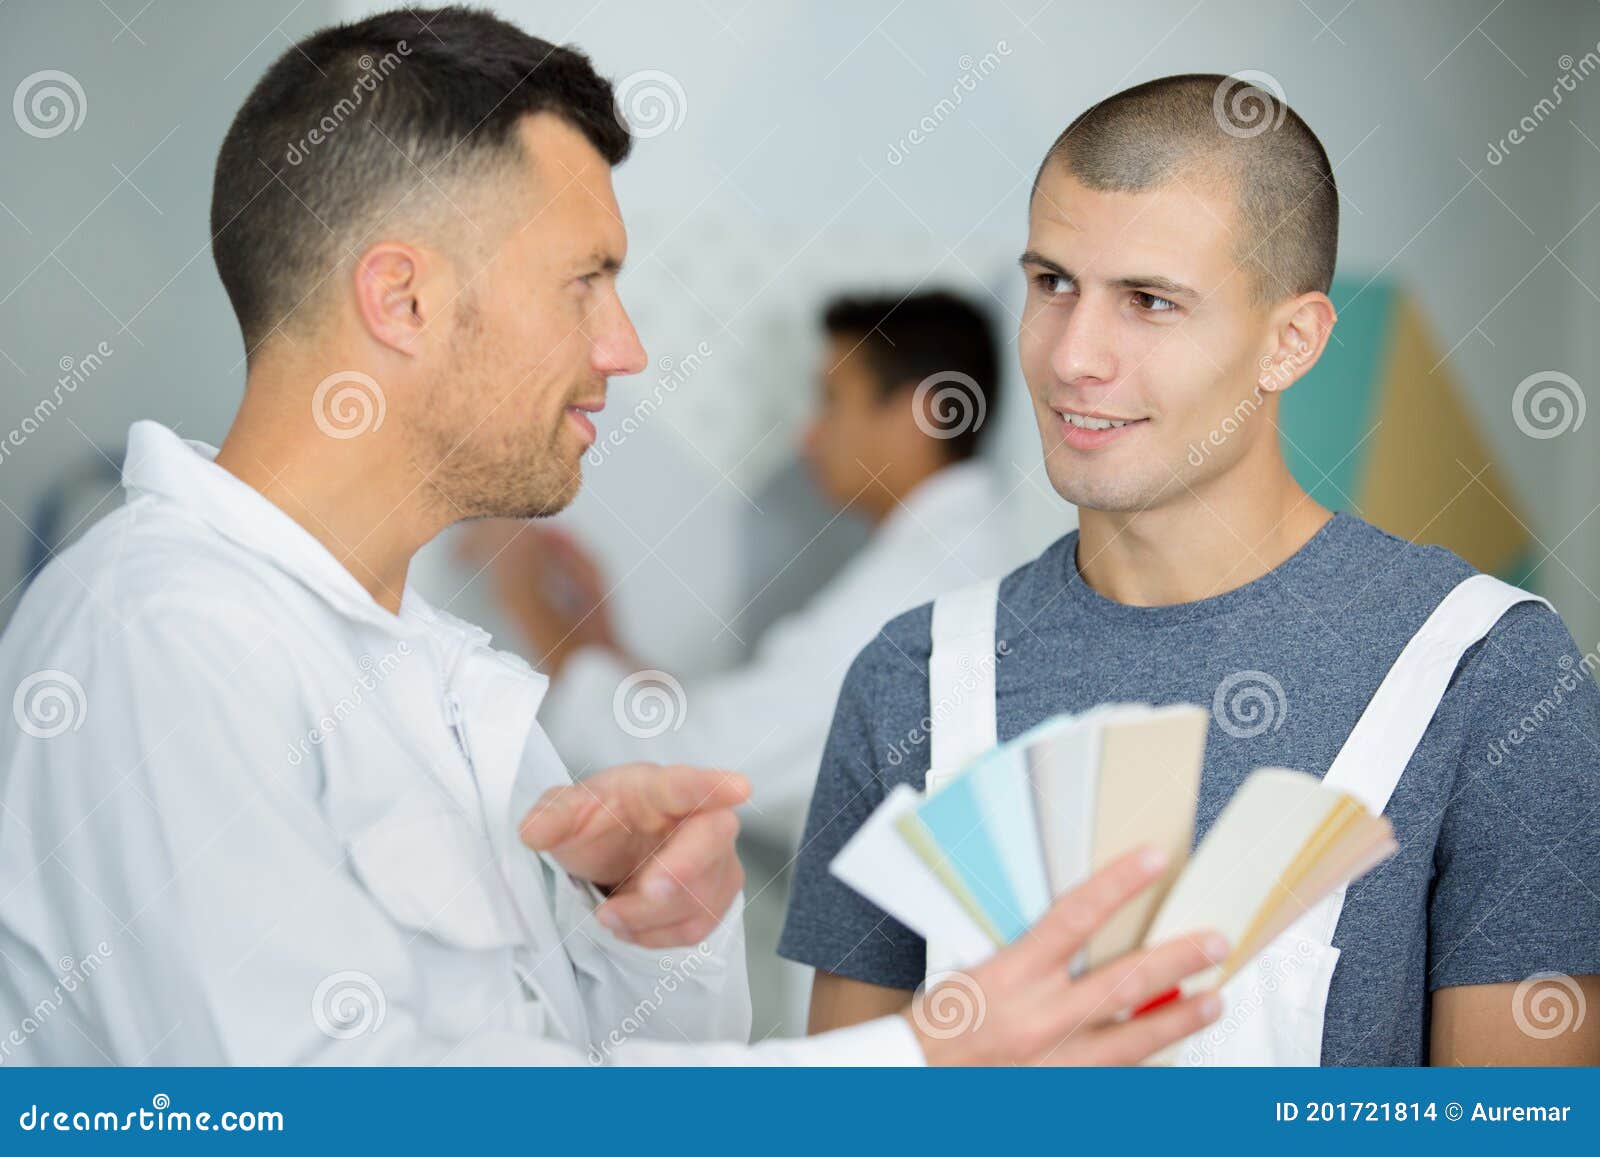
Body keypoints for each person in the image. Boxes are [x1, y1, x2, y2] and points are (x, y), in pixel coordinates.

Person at [0, 8, 1226, 1066]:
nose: (624, 344)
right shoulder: (159, 637)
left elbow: (595, 1084)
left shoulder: (434, 679)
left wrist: (654, 933)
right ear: (404, 299)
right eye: (586, 278)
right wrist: (921, 1060)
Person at [781, 73, 1600, 1065]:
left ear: (1289, 341)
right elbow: (831, 1112)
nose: (1073, 355)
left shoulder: (1486, 675)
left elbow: (1511, 1132)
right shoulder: (910, 676)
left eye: (1148, 301)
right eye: (1051, 284)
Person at [469, 291, 1025, 849]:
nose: (807, 436)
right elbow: (744, 722)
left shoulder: (917, 591)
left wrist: (530, 604)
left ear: (925, 411)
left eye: (831, 399)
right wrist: (598, 637)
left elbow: (705, 763)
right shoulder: (958, 559)